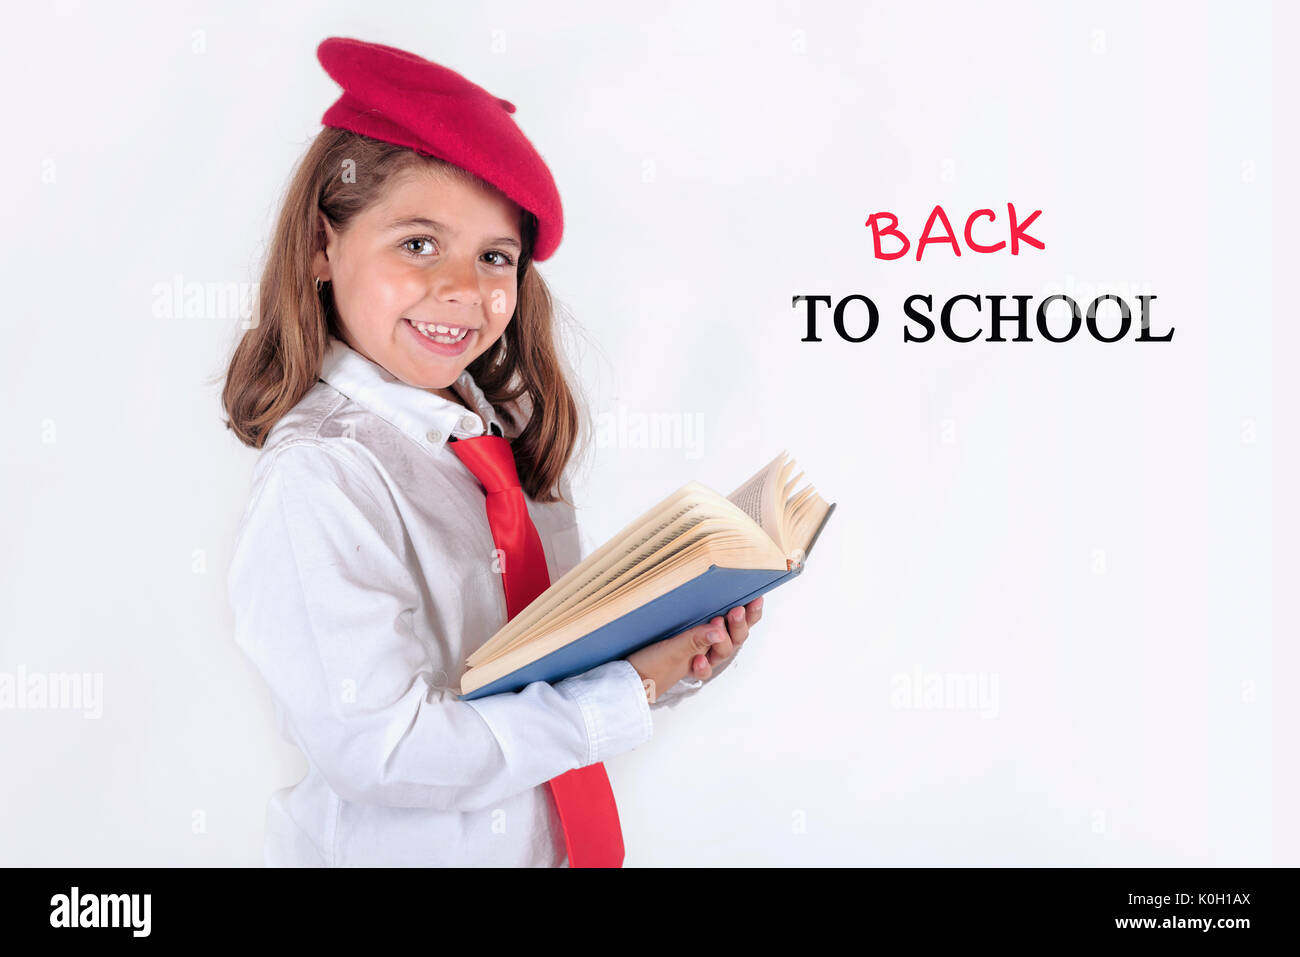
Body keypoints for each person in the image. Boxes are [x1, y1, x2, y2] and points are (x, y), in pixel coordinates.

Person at [221, 37, 764, 867]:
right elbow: (385, 749)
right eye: (417, 244)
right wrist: (632, 688)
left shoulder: (502, 437)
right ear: (321, 247)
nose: (464, 291)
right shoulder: (321, 476)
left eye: (494, 257)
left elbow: (547, 673)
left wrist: (676, 653)